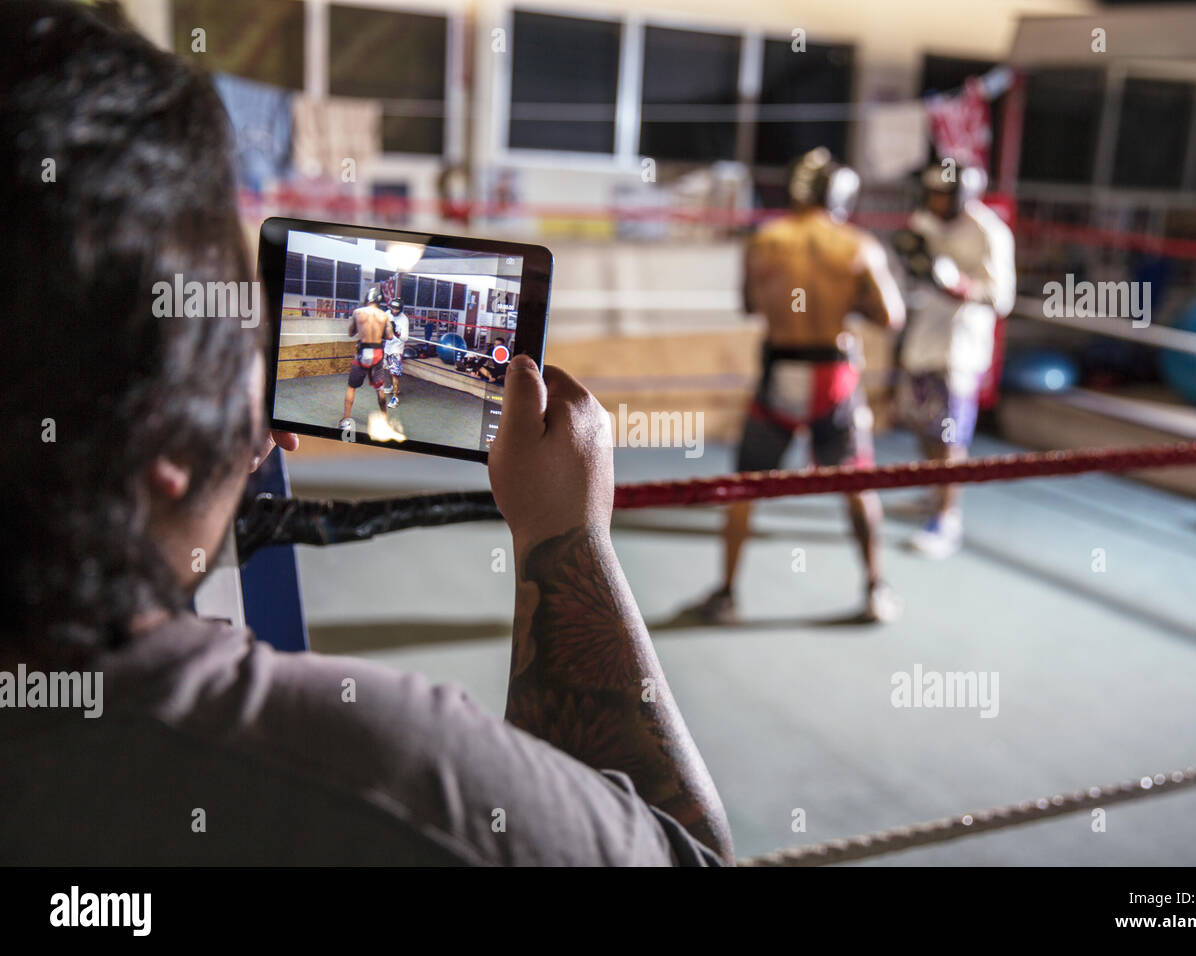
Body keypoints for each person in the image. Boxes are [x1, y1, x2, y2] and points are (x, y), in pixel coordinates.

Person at [0, 0, 730, 866]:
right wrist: (566, 541)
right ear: (163, 434)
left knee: (372, 391)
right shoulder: (378, 774)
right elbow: (684, 852)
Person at [684, 147, 906, 626]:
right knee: (857, 483)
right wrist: (848, 302)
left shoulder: (764, 241)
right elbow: (891, 317)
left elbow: (747, 303)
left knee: (745, 487)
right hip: (833, 375)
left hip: (779, 370)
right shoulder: (857, 246)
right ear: (841, 195)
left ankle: (726, 595)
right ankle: (875, 590)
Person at [895, 162, 1015, 558]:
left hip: (958, 350)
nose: (936, 202)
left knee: (950, 436)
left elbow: (1002, 299)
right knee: (924, 424)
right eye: (932, 194)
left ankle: (947, 519)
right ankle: (933, 495)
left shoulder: (990, 232)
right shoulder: (923, 221)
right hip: (922, 340)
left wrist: (960, 285)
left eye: (944, 196)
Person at [341, 286, 392, 429]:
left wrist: (361, 328)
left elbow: (350, 333)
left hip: (362, 354)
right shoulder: (384, 315)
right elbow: (390, 336)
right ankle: (385, 421)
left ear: (367, 298)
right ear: (379, 300)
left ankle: (346, 421)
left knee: (351, 387)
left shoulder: (358, 312)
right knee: (380, 388)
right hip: (377, 355)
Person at [383, 296, 409, 408]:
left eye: (397, 309)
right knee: (389, 369)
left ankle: (395, 398)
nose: (394, 310)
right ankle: (392, 388)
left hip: (396, 349)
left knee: (395, 373)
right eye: (393, 308)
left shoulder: (404, 319)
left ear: (401, 309)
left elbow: (405, 338)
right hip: (387, 347)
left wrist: (396, 332)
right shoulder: (387, 313)